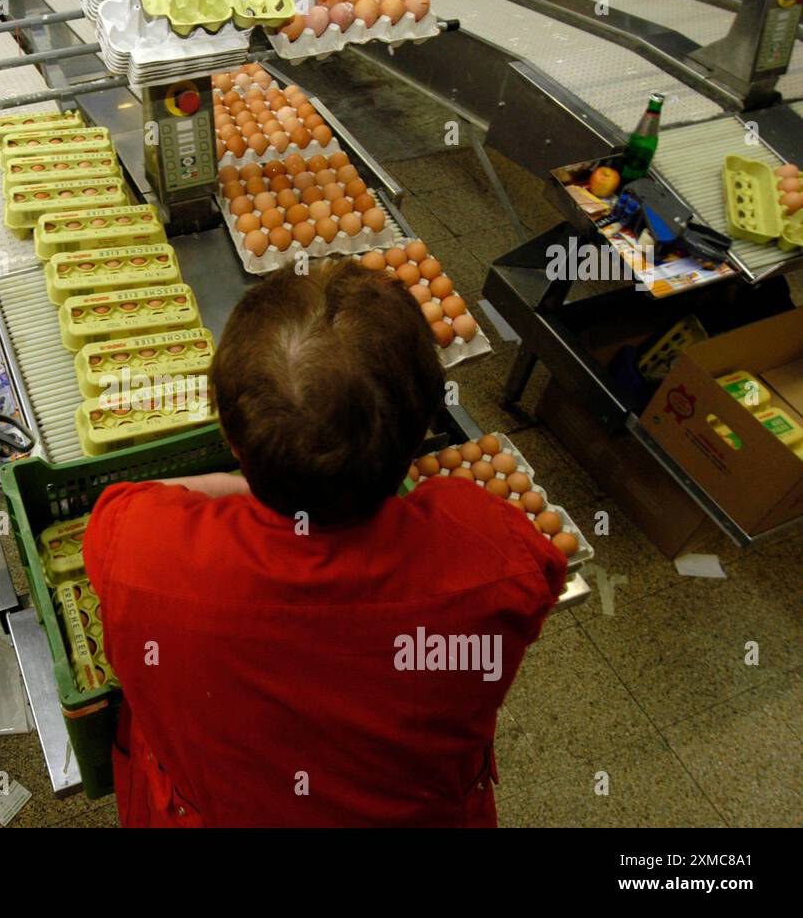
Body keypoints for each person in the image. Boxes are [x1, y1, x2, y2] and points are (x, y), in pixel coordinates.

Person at [82, 258, 566, 827]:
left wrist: (242, 486)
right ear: (419, 436)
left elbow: (123, 506)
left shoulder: (144, 550)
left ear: (232, 438)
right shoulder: (491, 553)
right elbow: (539, 568)